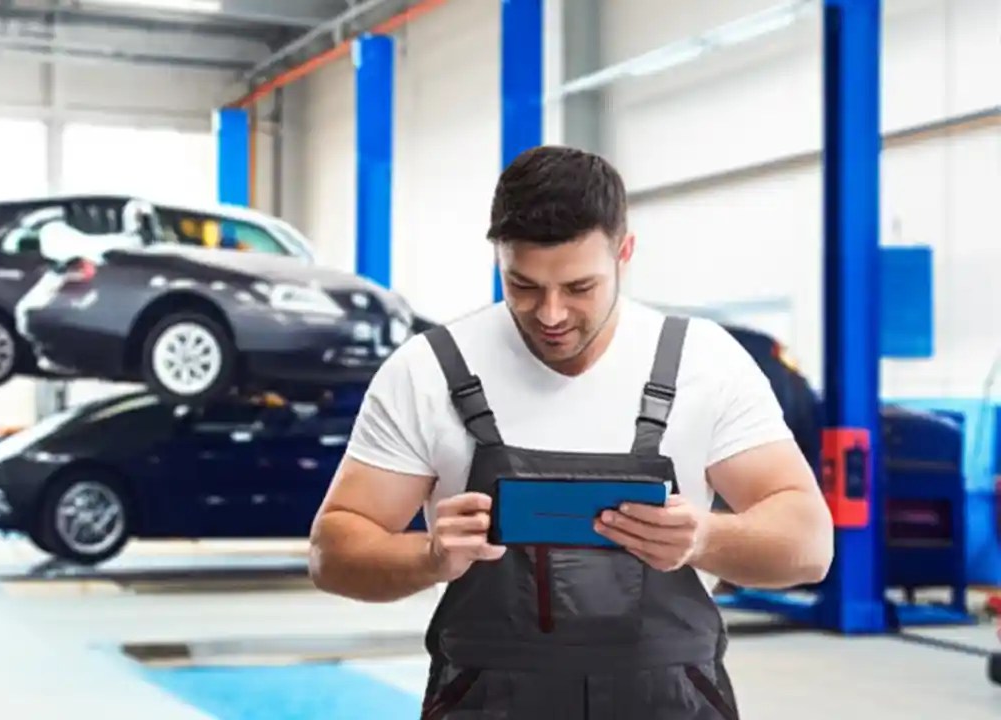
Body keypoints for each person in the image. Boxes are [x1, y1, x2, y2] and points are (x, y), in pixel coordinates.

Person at [307, 146, 834, 719]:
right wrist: (429, 556)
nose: (551, 314)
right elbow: (331, 552)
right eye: (523, 285)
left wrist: (704, 539)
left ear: (624, 253)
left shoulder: (702, 363)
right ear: (498, 259)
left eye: (580, 287)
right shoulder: (429, 371)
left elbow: (809, 546)